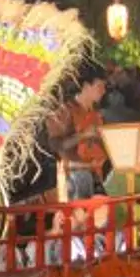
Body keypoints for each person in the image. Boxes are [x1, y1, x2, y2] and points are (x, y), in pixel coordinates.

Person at [47, 64, 109, 200]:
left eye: (104, 86)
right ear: (86, 86)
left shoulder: (96, 115)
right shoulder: (64, 111)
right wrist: (83, 135)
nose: (104, 91)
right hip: (74, 177)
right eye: (99, 86)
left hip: (97, 175)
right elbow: (54, 145)